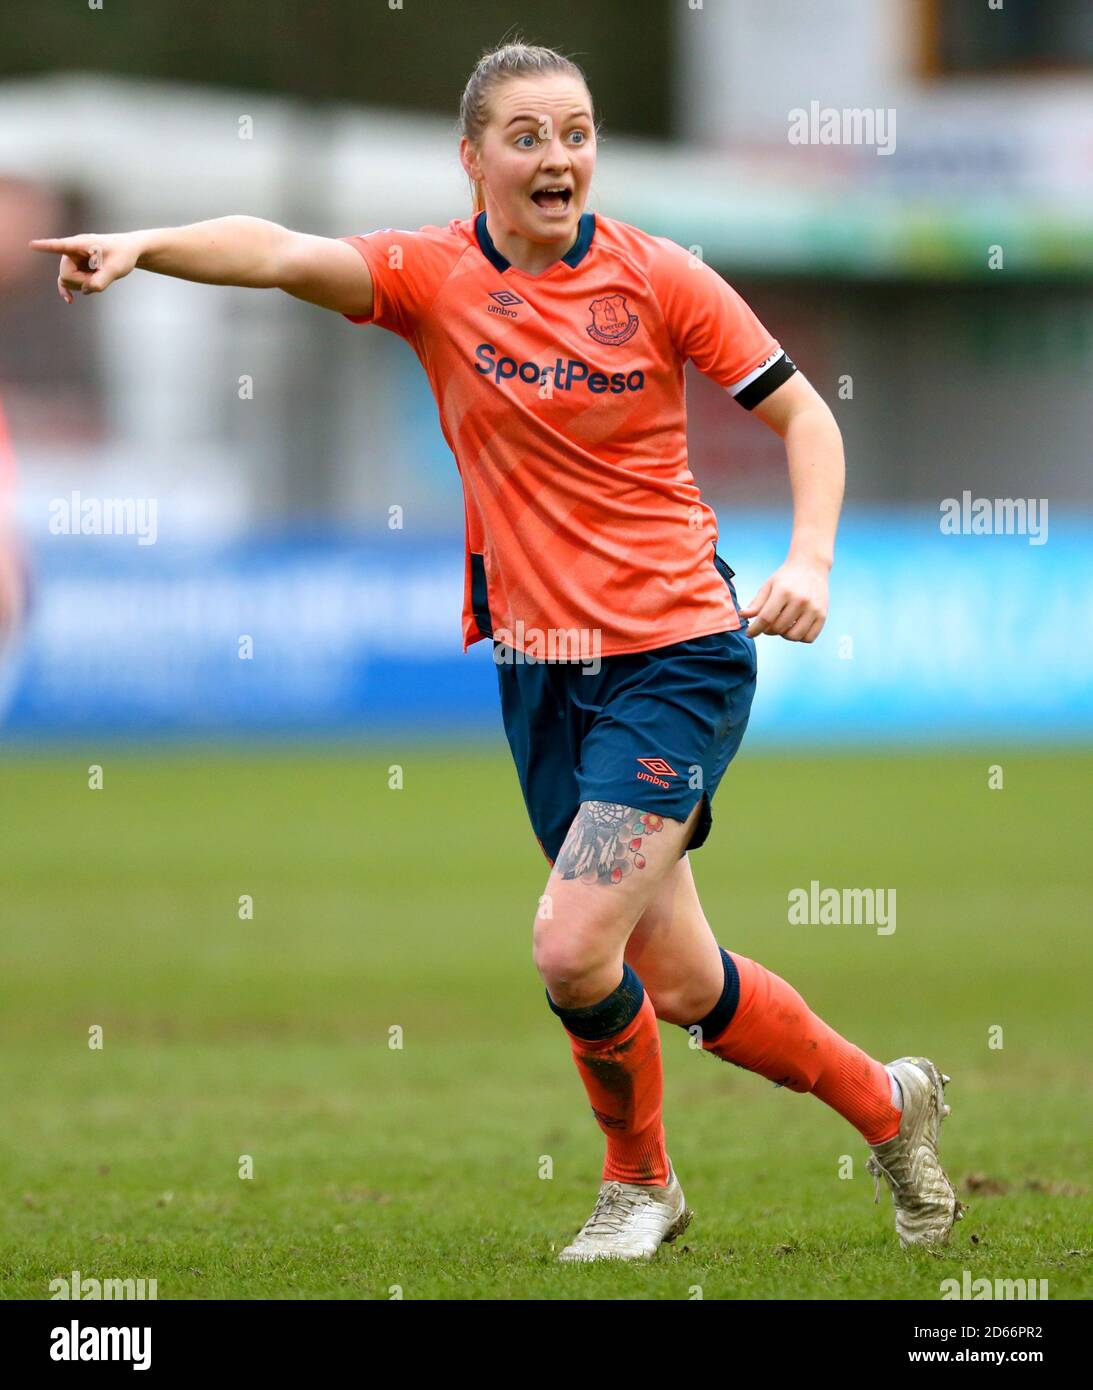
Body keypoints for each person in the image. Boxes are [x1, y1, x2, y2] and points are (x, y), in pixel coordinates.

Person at [31, 40, 964, 1262]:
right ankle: (888, 1106)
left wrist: (812, 562)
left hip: (674, 654)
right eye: (527, 136)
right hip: (539, 668)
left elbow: (801, 412)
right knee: (678, 983)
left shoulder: (663, 277)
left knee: (570, 946)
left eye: (575, 131)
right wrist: (146, 246)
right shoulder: (428, 275)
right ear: (472, 159)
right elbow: (276, 251)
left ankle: (641, 1188)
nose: (558, 156)